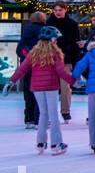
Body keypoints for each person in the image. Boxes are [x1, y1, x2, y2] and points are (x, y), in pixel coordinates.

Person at [13, 26, 75, 154]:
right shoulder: (55, 53)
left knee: (43, 114)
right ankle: (56, 144)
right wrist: (74, 81)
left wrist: (11, 81)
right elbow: (61, 72)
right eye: (56, 39)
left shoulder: (33, 52)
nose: (56, 42)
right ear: (52, 39)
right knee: (53, 116)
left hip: (36, 87)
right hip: (51, 87)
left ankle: (40, 143)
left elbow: (22, 69)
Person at [46, 1, 82, 123]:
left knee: (65, 86)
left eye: (60, 10)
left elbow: (76, 43)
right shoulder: (48, 23)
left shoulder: (72, 24)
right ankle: (49, 113)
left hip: (66, 60)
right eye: (55, 10)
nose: (57, 12)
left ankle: (65, 111)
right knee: (50, 87)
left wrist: (74, 60)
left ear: (65, 10)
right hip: (50, 59)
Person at [16, 10, 46, 128]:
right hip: (42, 66)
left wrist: (27, 57)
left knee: (28, 92)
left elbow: (20, 48)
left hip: (28, 65)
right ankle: (38, 118)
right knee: (40, 92)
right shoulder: (45, 30)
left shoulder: (27, 30)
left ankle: (28, 118)